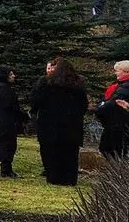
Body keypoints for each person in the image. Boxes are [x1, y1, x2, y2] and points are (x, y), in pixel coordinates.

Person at [28, 58, 86, 186]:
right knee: (70, 153)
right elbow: (84, 104)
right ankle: (69, 179)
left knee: (50, 151)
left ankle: (53, 177)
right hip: (72, 124)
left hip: (49, 123)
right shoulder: (78, 83)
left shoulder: (45, 82)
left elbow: (35, 101)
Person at [97, 60, 129, 158]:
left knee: (113, 151)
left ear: (128, 72)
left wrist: (98, 109)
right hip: (124, 125)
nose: (116, 73)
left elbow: (112, 103)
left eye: (118, 70)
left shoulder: (127, 86)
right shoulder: (128, 85)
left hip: (120, 126)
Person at [0, 66, 27, 178]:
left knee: (6, 144)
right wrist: (22, 115)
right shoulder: (4, 88)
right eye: (10, 74)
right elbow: (10, 106)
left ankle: (6, 168)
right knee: (8, 145)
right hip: (6, 121)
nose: (13, 76)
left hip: (0, 120)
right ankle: (6, 169)